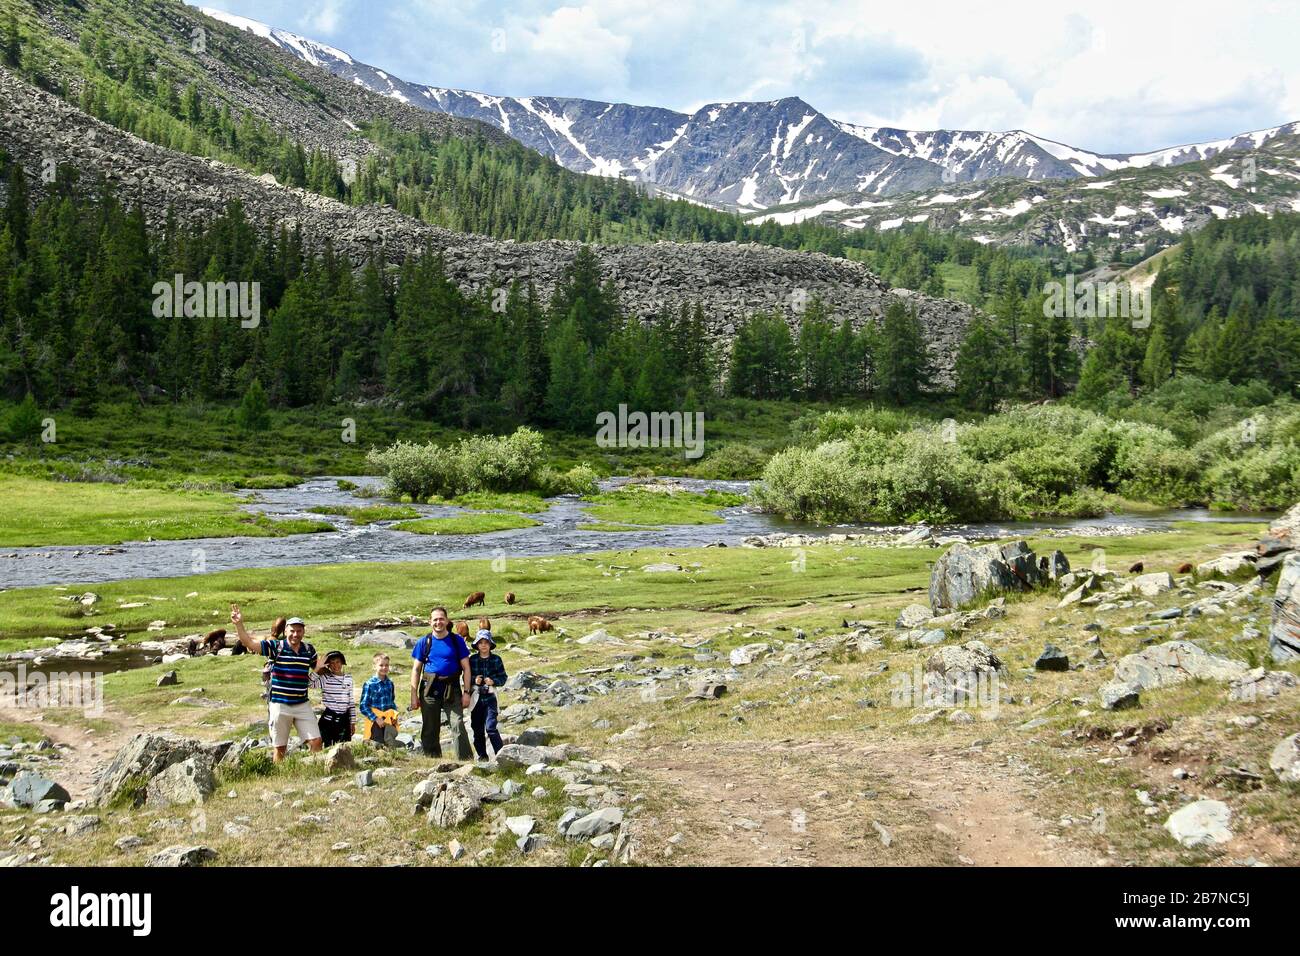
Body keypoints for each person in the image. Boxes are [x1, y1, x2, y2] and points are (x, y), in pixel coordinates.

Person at [231, 605, 323, 763]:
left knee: (316, 741)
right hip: (280, 705)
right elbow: (249, 643)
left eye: (299, 631)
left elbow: (318, 668)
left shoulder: (309, 649)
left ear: (303, 632)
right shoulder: (276, 647)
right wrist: (239, 624)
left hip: (302, 704)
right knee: (280, 748)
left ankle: (314, 771)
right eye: (292, 630)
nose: (295, 634)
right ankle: (280, 775)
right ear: (286, 631)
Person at [408, 606, 473, 760]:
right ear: (430, 622)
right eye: (435, 619)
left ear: (447, 620)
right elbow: (416, 670)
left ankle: (466, 761)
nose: (438, 622)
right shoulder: (424, 642)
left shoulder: (456, 641)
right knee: (430, 727)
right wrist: (413, 696)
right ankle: (433, 761)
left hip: (452, 688)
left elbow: (466, 668)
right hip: (429, 689)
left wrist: (467, 692)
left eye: (441, 619)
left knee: (457, 724)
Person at [468, 626, 507, 761]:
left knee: (491, 728)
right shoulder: (472, 660)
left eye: (486, 643)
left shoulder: (497, 659)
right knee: (477, 729)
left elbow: (503, 678)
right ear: (477, 645)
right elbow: (465, 678)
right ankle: (482, 756)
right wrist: (474, 680)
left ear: (490, 645)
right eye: (480, 643)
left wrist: (493, 681)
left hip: (490, 697)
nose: (483, 646)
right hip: (476, 699)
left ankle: (501, 755)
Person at [311, 650, 355, 747]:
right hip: (328, 720)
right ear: (328, 665)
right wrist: (317, 669)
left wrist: (352, 722)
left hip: (344, 720)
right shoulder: (326, 678)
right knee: (328, 748)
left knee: (344, 747)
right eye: (332, 663)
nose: (335, 665)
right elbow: (308, 684)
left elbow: (351, 702)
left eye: (338, 662)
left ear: (342, 662)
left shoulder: (348, 678)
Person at [359, 653, 400, 746]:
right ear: (374, 666)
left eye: (387, 665)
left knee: (389, 743)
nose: (384, 668)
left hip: (388, 721)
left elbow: (392, 702)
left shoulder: (390, 683)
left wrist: (394, 715)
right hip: (375, 722)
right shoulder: (369, 684)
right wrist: (376, 718)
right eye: (381, 665)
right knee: (377, 745)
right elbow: (363, 706)